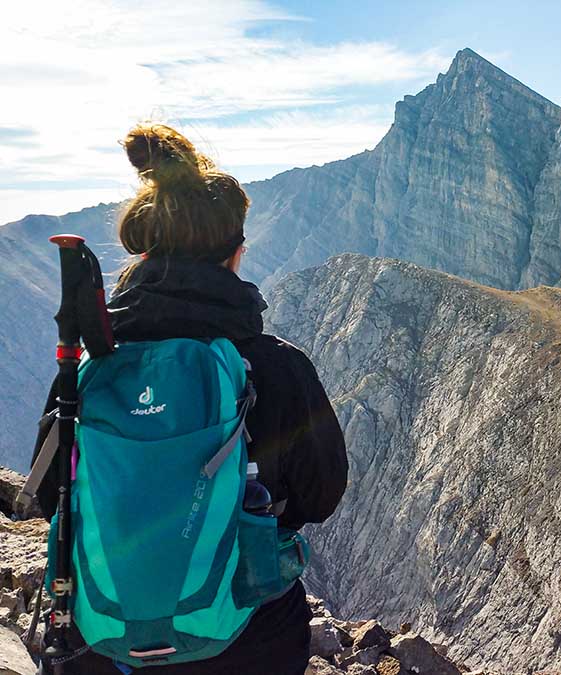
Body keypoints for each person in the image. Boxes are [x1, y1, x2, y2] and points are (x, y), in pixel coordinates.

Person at [32, 123, 349, 674]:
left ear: (145, 252)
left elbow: (44, 496)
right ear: (236, 254)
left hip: (104, 641)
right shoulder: (275, 366)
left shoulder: (92, 366)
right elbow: (320, 496)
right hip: (244, 640)